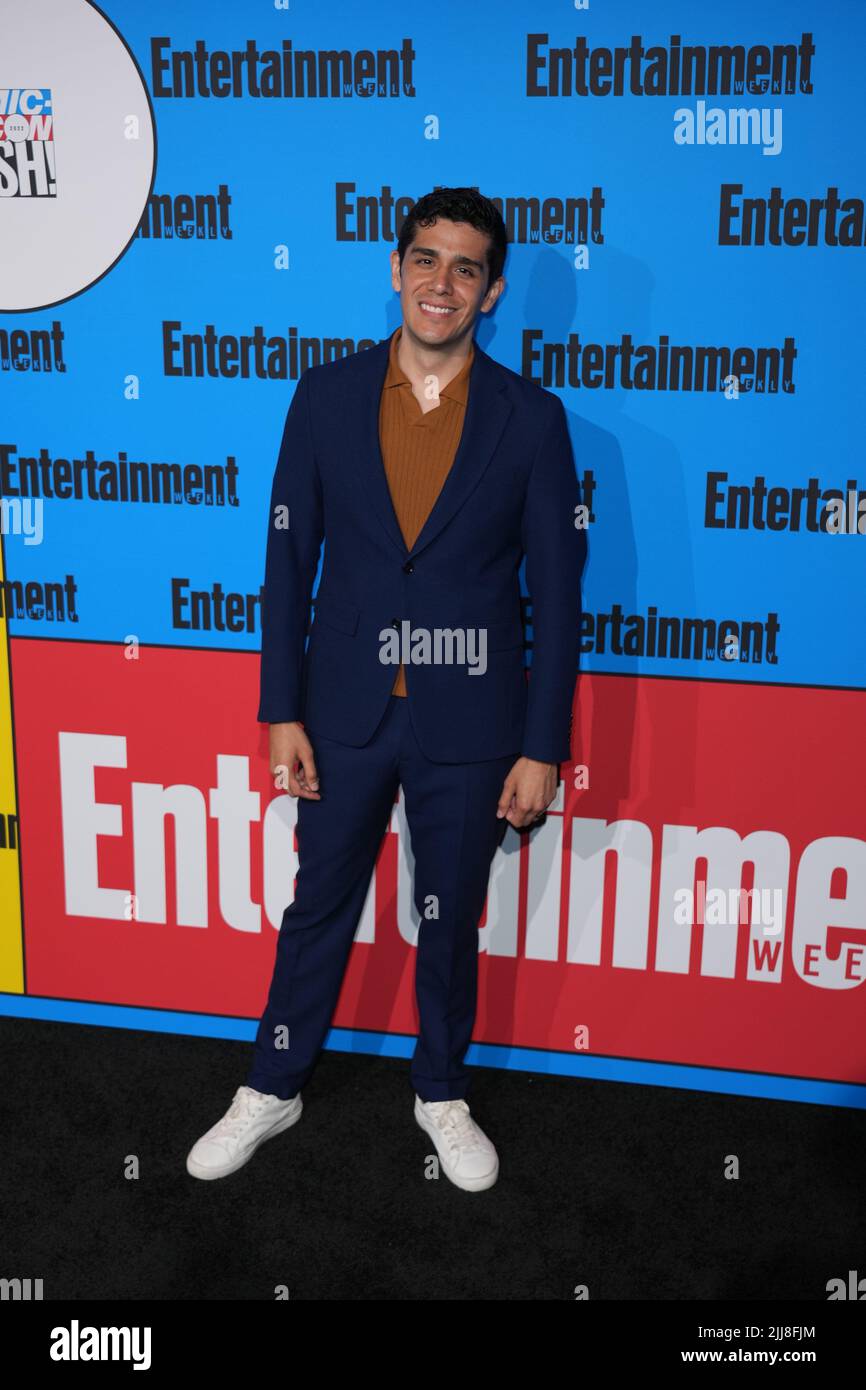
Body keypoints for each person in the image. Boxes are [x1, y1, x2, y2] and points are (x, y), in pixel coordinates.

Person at [186, 187, 587, 1191]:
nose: (439, 283)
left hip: (471, 720)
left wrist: (543, 746)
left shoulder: (533, 421)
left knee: (448, 915)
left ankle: (440, 1090)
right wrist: (279, 708)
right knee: (318, 901)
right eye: (424, 260)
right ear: (394, 269)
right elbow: (288, 568)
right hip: (343, 713)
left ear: (491, 290)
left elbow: (559, 596)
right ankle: (272, 1083)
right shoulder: (321, 397)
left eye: (463, 267)